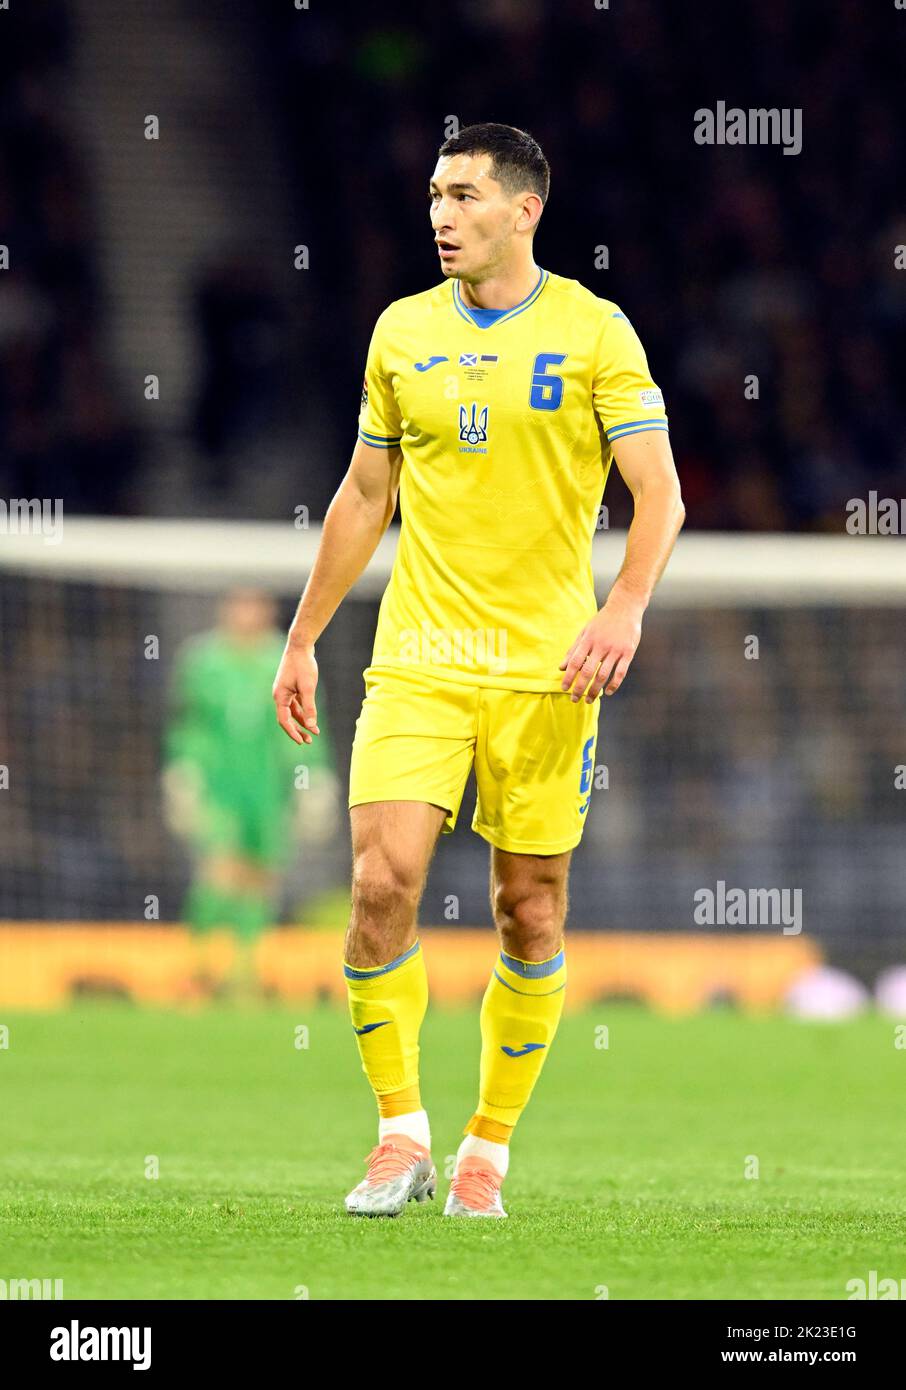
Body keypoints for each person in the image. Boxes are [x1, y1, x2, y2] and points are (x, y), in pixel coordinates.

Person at [272, 123, 684, 1215]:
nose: (440, 215)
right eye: (433, 197)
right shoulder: (402, 331)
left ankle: (486, 1150)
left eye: (462, 196)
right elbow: (366, 497)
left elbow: (661, 493)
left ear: (524, 208)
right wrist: (305, 635)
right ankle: (399, 1135)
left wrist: (624, 608)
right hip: (419, 656)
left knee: (530, 910)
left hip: (548, 670)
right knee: (376, 884)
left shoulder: (595, 332)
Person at [165, 588, 337, 1000]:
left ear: (268, 611)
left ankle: (245, 974)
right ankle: (199, 968)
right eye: (239, 605)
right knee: (220, 873)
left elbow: (306, 723)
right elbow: (189, 724)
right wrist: (183, 772)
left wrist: (312, 779)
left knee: (259, 880)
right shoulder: (202, 661)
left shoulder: (284, 661)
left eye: (254, 606)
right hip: (220, 789)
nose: (246, 614)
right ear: (226, 610)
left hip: (267, 791)